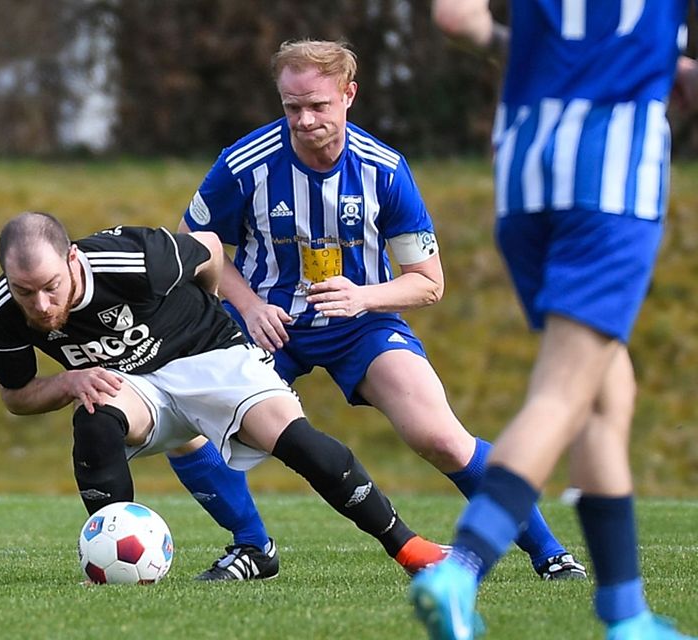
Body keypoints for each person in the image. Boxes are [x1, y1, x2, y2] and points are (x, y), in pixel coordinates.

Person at [178, 39, 583, 582]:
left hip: (361, 326)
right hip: (270, 324)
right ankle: (253, 547)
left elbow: (429, 283)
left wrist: (362, 297)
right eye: (292, 107)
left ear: (349, 95)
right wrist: (248, 305)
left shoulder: (384, 170)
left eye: (318, 105)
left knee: (441, 438)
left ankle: (551, 553)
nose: (304, 120)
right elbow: (194, 242)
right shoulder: (244, 163)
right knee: (189, 427)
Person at [409, 2, 698, 639]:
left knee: (606, 392)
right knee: (564, 391)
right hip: (611, 180)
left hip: (525, 175)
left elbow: (457, 19)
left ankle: (625, 614)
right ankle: (460, 570)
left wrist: (530, 51)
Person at [0, 211, 448, 581]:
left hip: (209, 354)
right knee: (94, 417)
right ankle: (115, 568)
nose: (40, 305)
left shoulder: (135, 260)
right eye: (25, 291)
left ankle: (409, 547)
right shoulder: (4, 307)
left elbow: (207, 247)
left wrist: (208, 307)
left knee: (297, 441)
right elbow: (16, 395)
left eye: (51, 287)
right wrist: (67, 382)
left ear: (72, 259)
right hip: (136, 386)